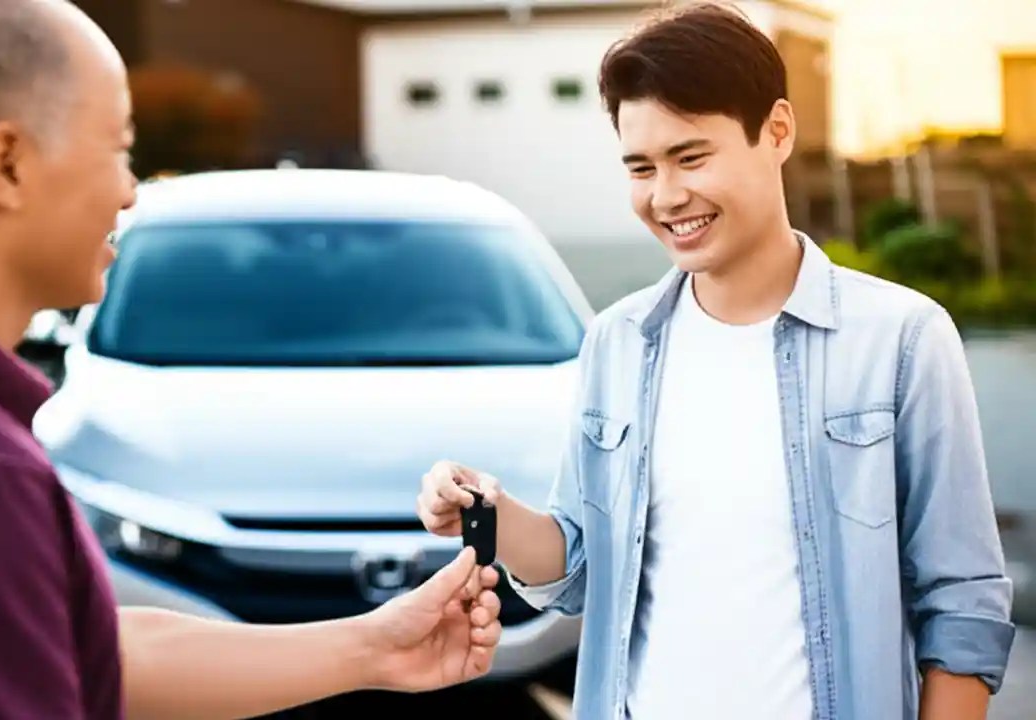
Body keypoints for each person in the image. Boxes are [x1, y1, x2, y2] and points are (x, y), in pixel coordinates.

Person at [0, 1, 503, 718]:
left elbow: (91, 652)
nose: (128, 192)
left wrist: (372, 646)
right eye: (117, 149)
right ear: (8, 164)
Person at [417, 4, 1014, 720]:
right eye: (641, 168)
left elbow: (963, 604)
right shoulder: (617, 342)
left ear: (778, 132)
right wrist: (488, 514)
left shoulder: (902, 339)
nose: (667, 197)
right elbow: (577, 570)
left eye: (691, 157)